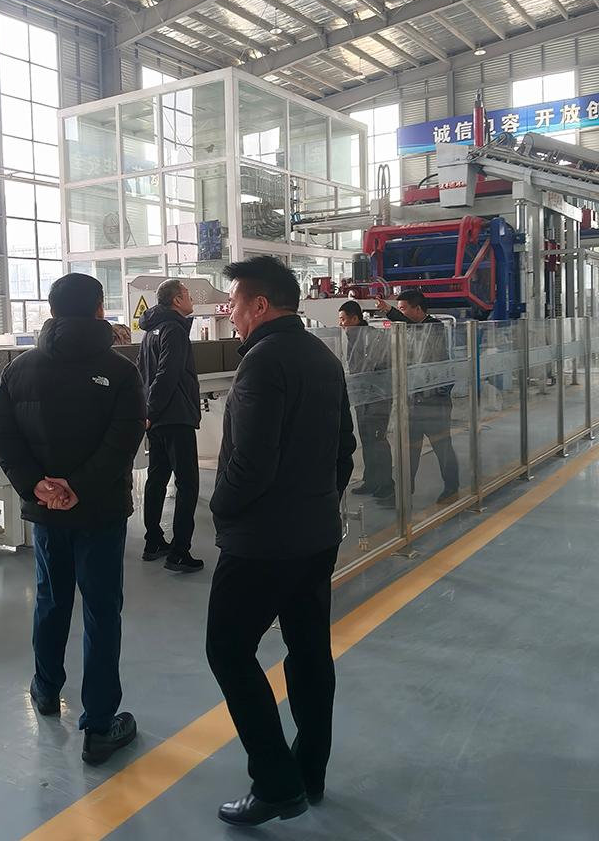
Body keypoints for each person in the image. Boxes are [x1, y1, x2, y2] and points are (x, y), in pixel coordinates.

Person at [206, 257, 356, 827]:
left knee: (228, 650)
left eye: (235, 303)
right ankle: (309, 771)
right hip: (316, 534)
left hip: (262, 542)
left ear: (260, 305)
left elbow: (249, 464)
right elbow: (344, 448)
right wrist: (318, 502)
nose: (231, 313)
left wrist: (220, 507)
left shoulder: (262, 362)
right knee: (309, 649)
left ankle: (275, 783)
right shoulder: (322, 357)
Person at [0, 273, 146, 766]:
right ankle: (99, 725)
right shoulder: (121, 371)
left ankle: (44, 688)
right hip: (99, 511)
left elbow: (1, 434)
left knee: (51, 599)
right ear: (99, 309)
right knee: (101, 609)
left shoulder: (19, 370)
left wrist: (37, 485)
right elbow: (124, 441)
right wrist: (79, 487)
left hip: (46, 512)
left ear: (52, 310)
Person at [137, 279, 203, 573]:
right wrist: (153, 409)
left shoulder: (151, 331)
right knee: (187, 483)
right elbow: (168, 373)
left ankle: (153, 541)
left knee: (157, 478)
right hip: (175, 416)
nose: (191, 299)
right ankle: (179, 551)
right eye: (187, 294)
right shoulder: (174, 329)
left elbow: (143, 374)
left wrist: (148, 412)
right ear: (176, 300)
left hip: (158, 419)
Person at [376, 289, 459, 504]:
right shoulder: (409, 330)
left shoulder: (434, 327)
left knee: (442, 446)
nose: (401, 314)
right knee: (408, 450)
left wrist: (390, 311)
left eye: (403, 309)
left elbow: (414, 328)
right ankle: (403, 492)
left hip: (434, 402)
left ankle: (452, 488)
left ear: (418, 309)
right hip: (412, 400)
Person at [338, 300, 394, 502]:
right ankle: (371, 480)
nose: (341, 324)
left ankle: (386, 483)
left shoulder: (372, 336)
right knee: (367, 439)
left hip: (378, 396)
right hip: (363, 397)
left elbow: (376, 365)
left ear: (355, 318)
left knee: (378, 439)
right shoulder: (351, 337)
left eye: (343, 319)